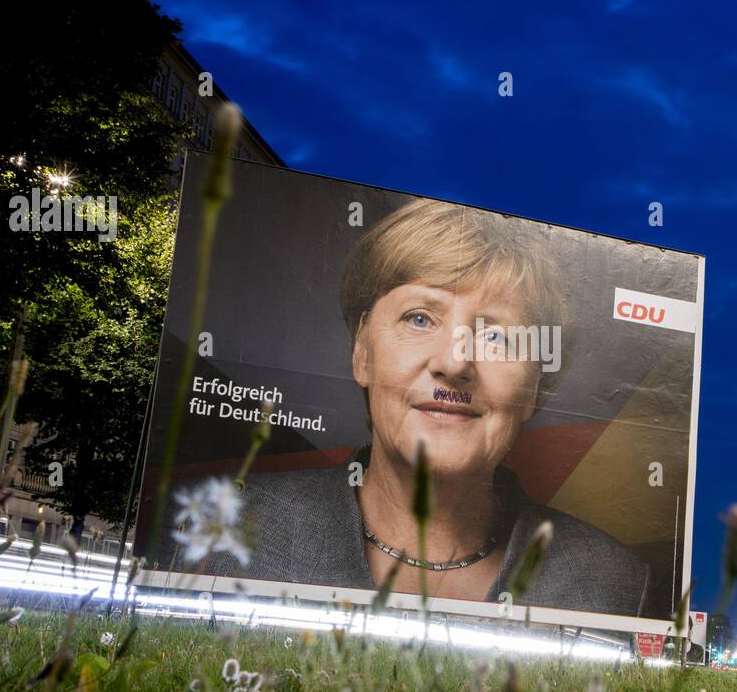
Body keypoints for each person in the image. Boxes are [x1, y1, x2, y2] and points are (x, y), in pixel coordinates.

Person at [207, 198, 650, 617]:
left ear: (536, 387)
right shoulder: (225, 531)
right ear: (362, 353)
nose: (454, 363)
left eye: (496, 335)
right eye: (420, 318)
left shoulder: (615, 586)